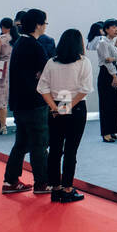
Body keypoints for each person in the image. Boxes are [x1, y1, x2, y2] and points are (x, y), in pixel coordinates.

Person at [37, 28, 90, 203]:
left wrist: (54, 107)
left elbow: (42, 88)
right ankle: (67, 188)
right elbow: (85, 89)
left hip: (56, 106)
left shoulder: (52, 62)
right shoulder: (83, 62)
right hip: (75, 107)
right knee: (71, 150)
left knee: (55, 149)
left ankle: (55, 188)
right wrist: (66, 107)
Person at [3, 8, 50, 194]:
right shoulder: (34, 45)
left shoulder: (21, 42)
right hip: (34, 102)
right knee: (39, 144)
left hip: (20, 102)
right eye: (45, 23)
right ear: (38, 25)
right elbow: (45, 73)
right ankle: (42, 183)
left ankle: (10, 181)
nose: (45, 26)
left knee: (21, 143)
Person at [93, 19, 117, 142]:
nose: (116, 30)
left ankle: (113, 131)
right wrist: (114, 76)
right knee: (106, 104)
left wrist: (114, 59)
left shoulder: (111, 42)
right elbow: (106, 61)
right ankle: (106, 133)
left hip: (114, 71)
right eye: (113, 27)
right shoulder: (103, 42)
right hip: (107, 74)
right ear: (106, 29)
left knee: (114, 104)